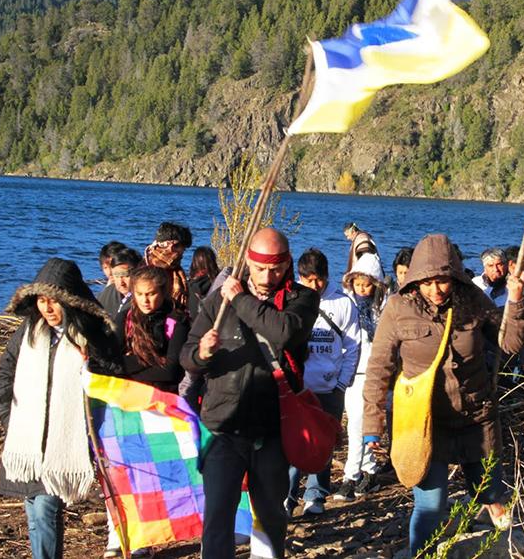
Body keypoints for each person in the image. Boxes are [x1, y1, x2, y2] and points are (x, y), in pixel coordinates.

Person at [362, 234, 524, 557]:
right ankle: (421, 554)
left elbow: (509, 343)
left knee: (491, 493)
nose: (437, 290)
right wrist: (373, 424)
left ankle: (508, 545)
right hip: (427, 424)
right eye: (428, 282)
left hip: (477, 419)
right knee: (430, 506)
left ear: (455, 275)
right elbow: (378, 368)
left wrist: (516, 300)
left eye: (443, 281)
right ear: (416, 278)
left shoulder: (473, 299)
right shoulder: (398, 308)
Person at [180, 228, 318, 558]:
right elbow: (186, 356)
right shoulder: (218, 300)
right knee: (217, 519)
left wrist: (240, 297)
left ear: (287, 263)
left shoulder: (303, 298)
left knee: (271, 517)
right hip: (222, 427)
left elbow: (282, 332)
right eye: (260, 268)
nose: (268, 276)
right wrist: (202, 353)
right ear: (248, 262)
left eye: (276, 268)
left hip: (273, 428)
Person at [0, 258, 121, 559]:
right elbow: (5, 374)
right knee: (35, 514)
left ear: (70, 301)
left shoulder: (91, 336)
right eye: (41, 301)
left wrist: (90, 361)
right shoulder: (29, 332)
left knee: (44, 509)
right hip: (26, 441)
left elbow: (112, 378)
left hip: (63, 443)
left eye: (54, 301)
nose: (48, 308)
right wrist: (9, 419)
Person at [104, 265, 189, 557]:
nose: (145, 300)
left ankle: (145, 539)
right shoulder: (125, 319)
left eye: (151, 294)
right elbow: (109, 361)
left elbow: (171, 370)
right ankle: (118, 534)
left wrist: (131, 362)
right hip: (125, 405)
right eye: (140, 294)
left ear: (163, 292)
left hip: (159, 407)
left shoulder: (176, 321)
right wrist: (146, 362)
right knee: (121, 470)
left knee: (150, 475)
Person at [285, 248, 360, 516]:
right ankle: (287, 495)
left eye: (320, 280)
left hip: (330, 387)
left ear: (328, 276)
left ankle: (316, 494)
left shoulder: (343, 303)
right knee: (292, 442)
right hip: (298, 386)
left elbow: (353, 346)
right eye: (309, 280)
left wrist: (342, 383)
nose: (315, 286)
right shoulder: (291, 299)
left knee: (323, 443)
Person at [334, 253, 388, 501]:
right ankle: (368, 469)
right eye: (358, 284)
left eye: (367, 285)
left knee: (360, 424)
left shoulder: (383, 308)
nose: (362, 289)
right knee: (356, 423)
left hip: (374, 371)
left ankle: (351, 475)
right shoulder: (346, 305)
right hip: (350, 371)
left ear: (376, 284)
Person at [144, 222, 193, 312]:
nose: (183, 253)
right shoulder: (146, 269)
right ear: (172, 246)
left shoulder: (175, 269)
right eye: (183, 248)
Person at [98, 247, 141, 319]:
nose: (121, 282)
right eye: (116, 275)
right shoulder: (106, 295)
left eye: (125, 275)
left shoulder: (144, 300)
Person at [188, 246, 220, 322]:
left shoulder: (189, 286)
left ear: (194, 263)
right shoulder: (220, 282)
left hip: (194, 327)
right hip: (214, 325)